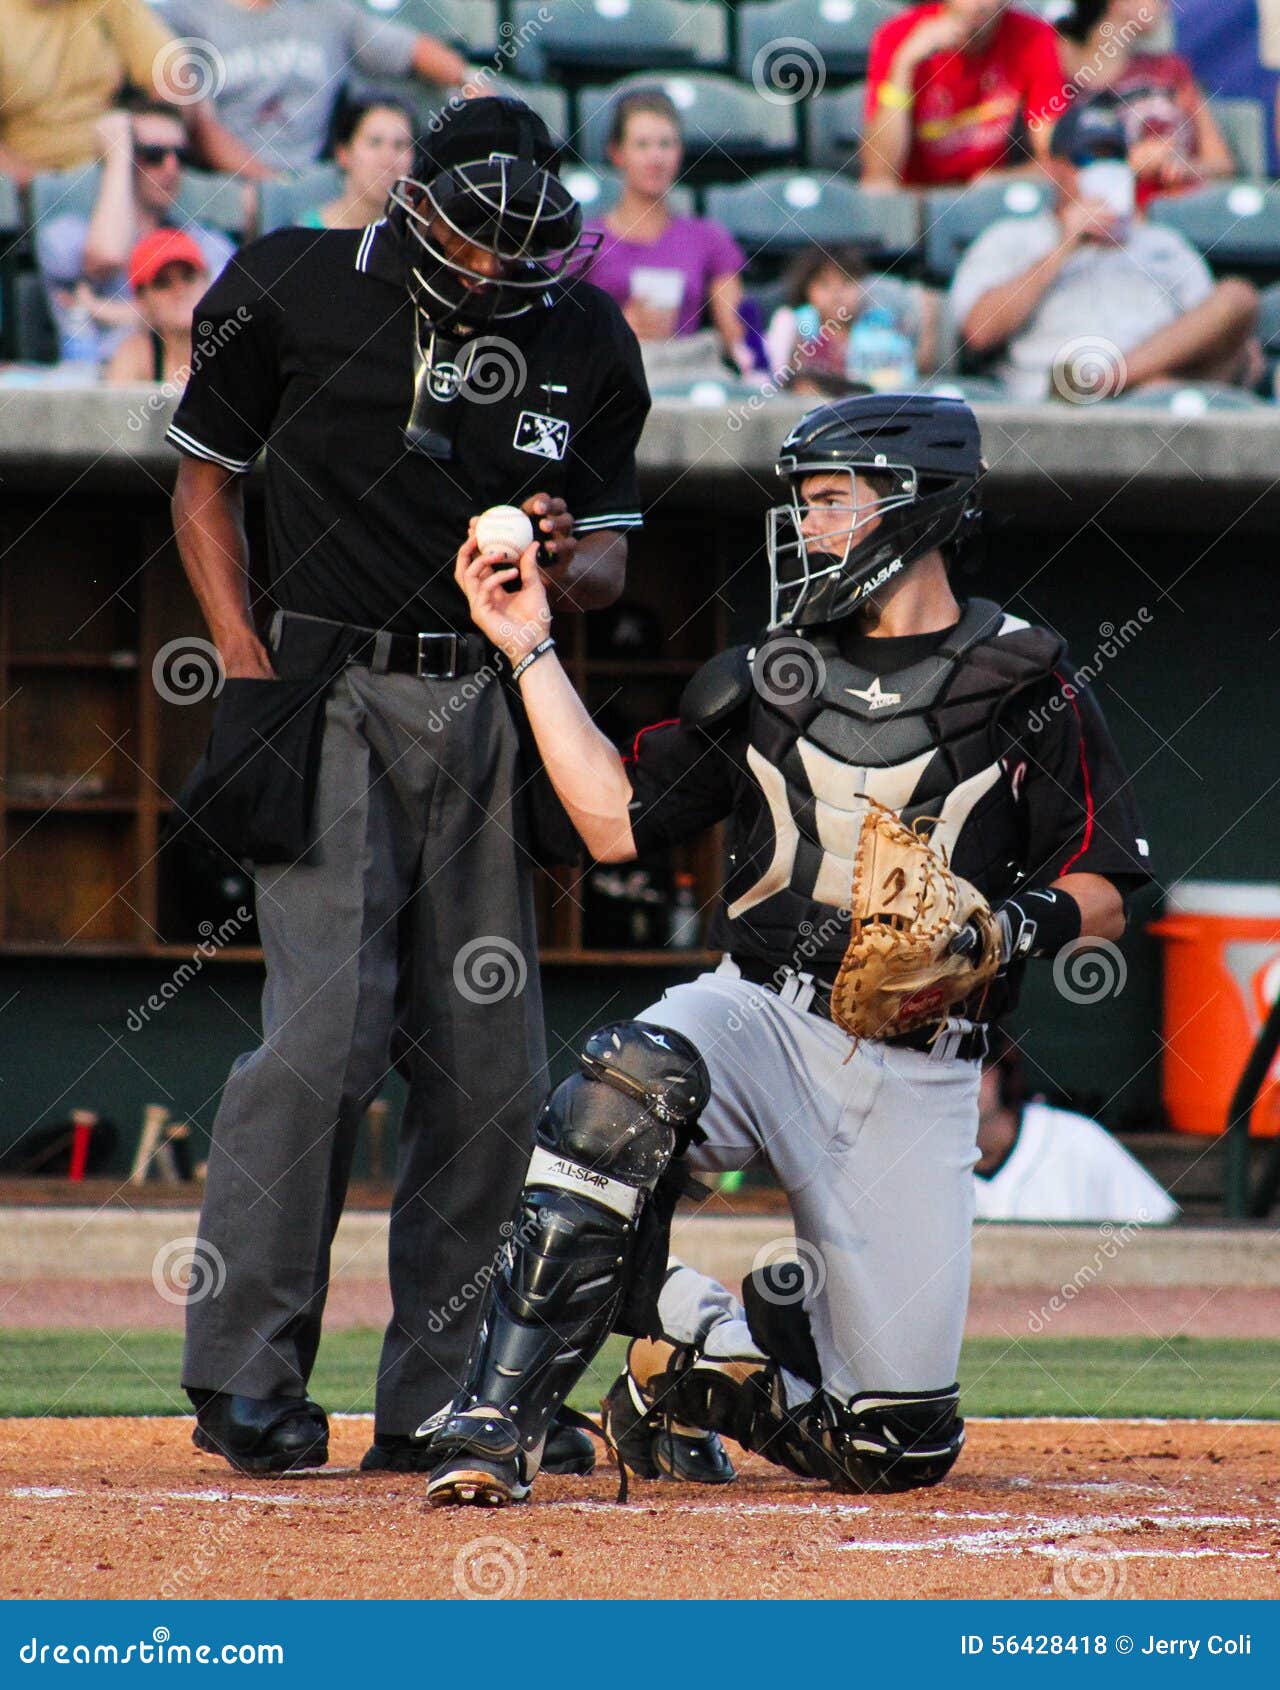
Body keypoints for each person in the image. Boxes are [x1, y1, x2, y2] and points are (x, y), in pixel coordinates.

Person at [424, 390, 1153, 1508]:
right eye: (803, 503)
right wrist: (527, 648)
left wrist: (1002, 928)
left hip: (916, 1061)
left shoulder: (1026, 677)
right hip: (759, 1009)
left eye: (829, 501)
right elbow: (612, 822)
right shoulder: (773, 671)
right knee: (623, 1086)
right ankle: (496, 1421)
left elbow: (1107, 892)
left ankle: (692, 1349)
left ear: (912, 505)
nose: (807, 527)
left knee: (892, 1448)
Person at [165, 96, 649, 1479]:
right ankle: (245, 1372)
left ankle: (444, 1394)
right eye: (475, 235)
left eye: (521, 243)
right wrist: (244, 656)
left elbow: (609, 561)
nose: (497, 266)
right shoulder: (290, 281)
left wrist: (561, 550)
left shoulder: (588, 334)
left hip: (490, 696)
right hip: (323, 681)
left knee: (491, 1065)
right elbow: (201, 483)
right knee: (324, 1039)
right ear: (415, 199)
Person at [951, 98, 1259, 401]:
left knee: (1237, 296)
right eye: (1087, 159)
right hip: (1048, 401)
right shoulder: (1013, 237)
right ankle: (1099, 385)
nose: (1103, 170)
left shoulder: (1163, 243)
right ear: (1055, 169)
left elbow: (1216, 329)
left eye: (1114, 159)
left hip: (1148, 398)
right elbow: (979, 333)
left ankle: (1102, 382)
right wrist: (1066, 245)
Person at [155, 0, 471, 178]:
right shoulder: (185, 17)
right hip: (225, 183)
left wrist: (469, 80)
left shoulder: (325, 11)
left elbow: (407, 50)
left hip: (319, 176)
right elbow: (198, 123)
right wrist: (270, 186)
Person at [35, 101, 235, 369]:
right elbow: (107, 256)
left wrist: (105, 310)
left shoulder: (205, 242)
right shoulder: (65, 235)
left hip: (174, 379)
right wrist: (118, 160)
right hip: (94, 380)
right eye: (153, 155)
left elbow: (210, 316)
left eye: (181, 155)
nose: (171, 167)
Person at [584, 89, 752, 376]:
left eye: (666, 144)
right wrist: (617, 327)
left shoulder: (708, 237)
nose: (655, 157)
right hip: (610, 376)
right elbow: (558, 329)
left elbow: (737, 333)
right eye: (642, 144)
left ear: (679, 151)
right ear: (617, 153)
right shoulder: (586, 240)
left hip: (684, 374)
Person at [0, 0, 257, 184]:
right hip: (38, 186)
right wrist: (40, 193)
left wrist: (154, 130)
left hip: (128, 169)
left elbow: (174, 76)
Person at [861, 0, 1066, 188]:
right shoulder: (899, 36)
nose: (976, 4)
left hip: (986, 198)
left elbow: (1055, 162)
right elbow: (878, 174)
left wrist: (996, 181)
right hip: (915, 199)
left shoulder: (1033, 37)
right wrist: (904, 66)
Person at [974, 1037, 1179, 1223]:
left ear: (1003, 1069)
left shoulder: (1077, 1137)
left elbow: (1160, 1228)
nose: (964, 1082)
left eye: (976, 1065)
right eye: (955, 1070)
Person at [1054, 0, 1235, 205]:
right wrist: (1129, 166)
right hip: (1105, 212)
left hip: (1180, 209)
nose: (1165, 4)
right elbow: (1051, 169)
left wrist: (1184, 167)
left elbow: (1222, 163)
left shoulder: (1172, 70)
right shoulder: (1058, 70)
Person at [764, 245, 940, 391]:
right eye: (825, 285)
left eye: (847, 283)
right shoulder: (796, 330)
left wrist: (929, 324)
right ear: (807, 289)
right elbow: (784, 380)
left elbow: (912, 372)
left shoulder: (881, 329)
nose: (836, 294)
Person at [104, 228, 208, 384]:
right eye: (163, 284)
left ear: (207, 282)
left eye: (188, 278)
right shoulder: (135, 357)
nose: (180, 291)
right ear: (142, 299)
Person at [294, 100, 414, 230]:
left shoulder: (419, 235)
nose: (388, 159)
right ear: (343, 153)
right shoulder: (308, 233)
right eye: (375, 142)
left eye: (399, 145)